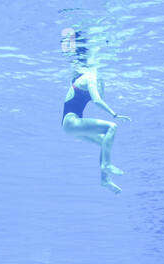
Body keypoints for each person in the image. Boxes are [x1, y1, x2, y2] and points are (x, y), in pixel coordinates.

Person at [62, 34, 129, 193]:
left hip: (70, 124)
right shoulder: (89, 76)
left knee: (103, 141)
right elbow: (97, 100)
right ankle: (106, 164)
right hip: (72, 122)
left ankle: (105, 180)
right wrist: (115, 114)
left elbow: (99, 96)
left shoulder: (89, 78)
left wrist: (102, 82)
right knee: (111, 127)